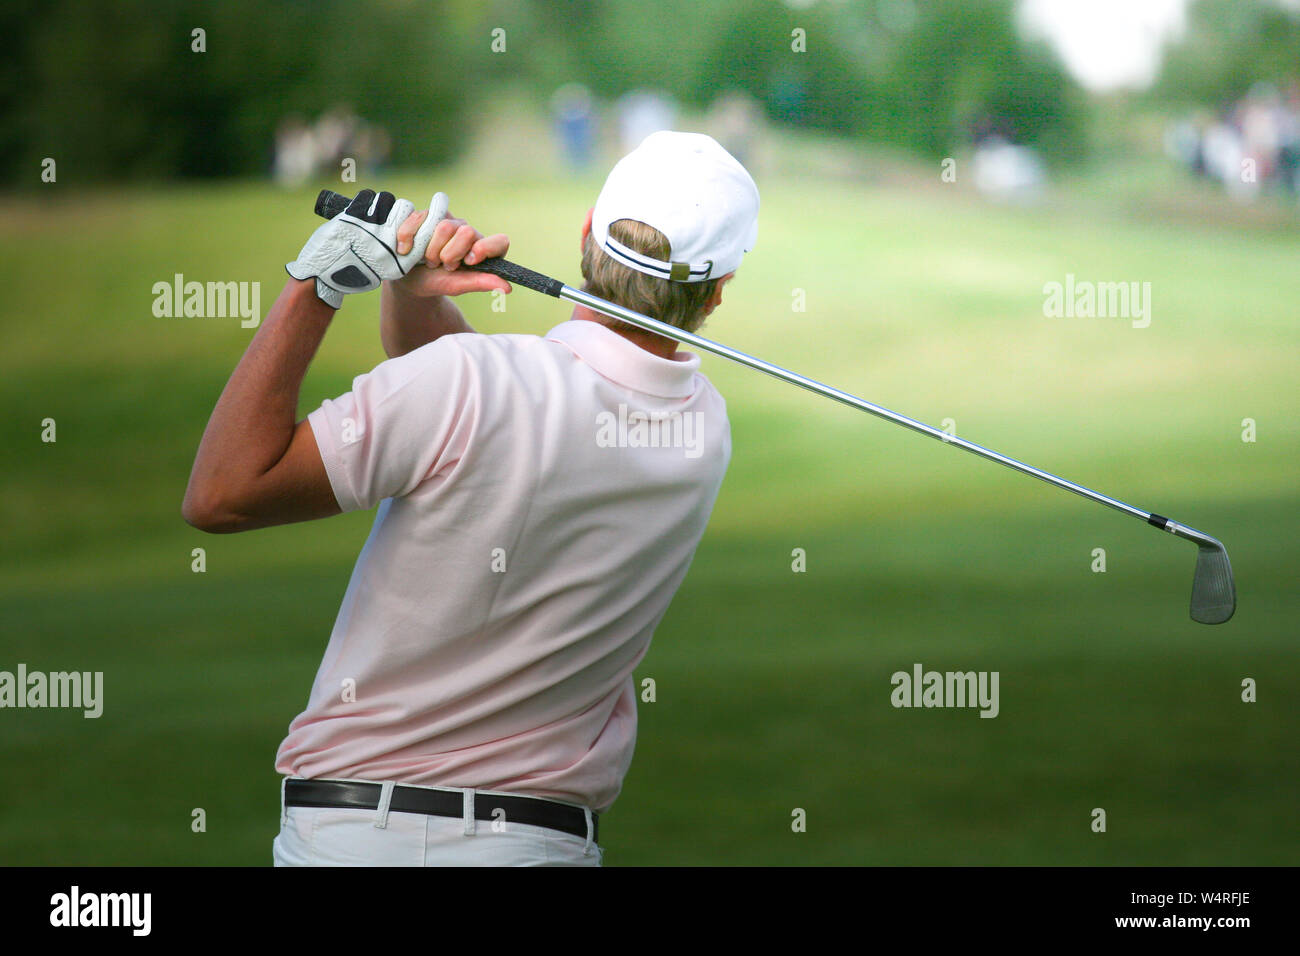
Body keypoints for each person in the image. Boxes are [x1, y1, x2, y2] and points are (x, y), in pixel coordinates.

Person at [182, 131, 759, 866]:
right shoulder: (703, 433)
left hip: (354, 837)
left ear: (587, 233)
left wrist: (317, 285)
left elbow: (223, 493)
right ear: (716, 290)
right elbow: (483, 418)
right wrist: (411, 293)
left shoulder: (469, 380)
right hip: (535, 844)